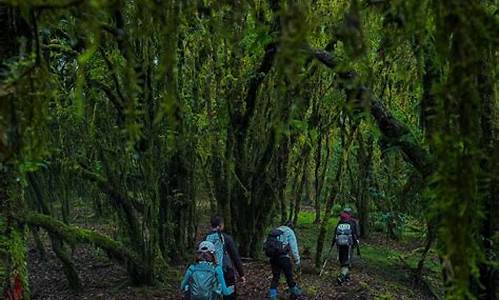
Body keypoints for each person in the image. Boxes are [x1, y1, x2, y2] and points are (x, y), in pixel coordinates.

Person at [204, 216, 245, 300]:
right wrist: (241, 274)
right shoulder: (227, 238)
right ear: (220, 225)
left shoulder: (205, 239)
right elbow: (235, 257)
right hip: (225, 270)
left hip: (208, 271)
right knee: (230, 294)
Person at [264, 222, 302, 300]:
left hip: (273, 258)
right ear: (291, 227)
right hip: (284, 258)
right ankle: (295, 292)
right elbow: (294, 247)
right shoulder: (290, 232)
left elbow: (266, 244)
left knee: (276, 277)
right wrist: (297, 260)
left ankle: (272, 295)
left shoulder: (275, 231)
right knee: (289, 276)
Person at [332, 207, 359, 285]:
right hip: (349, 245)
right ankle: (341, 277)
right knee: (347, 262)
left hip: (339, 244)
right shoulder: (353, 222)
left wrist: (333, 242)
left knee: (342, 259)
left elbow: (335, 232)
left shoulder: (340, 221)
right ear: (350, 213)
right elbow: (357, 234)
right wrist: (356, 241)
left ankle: (346, 277)